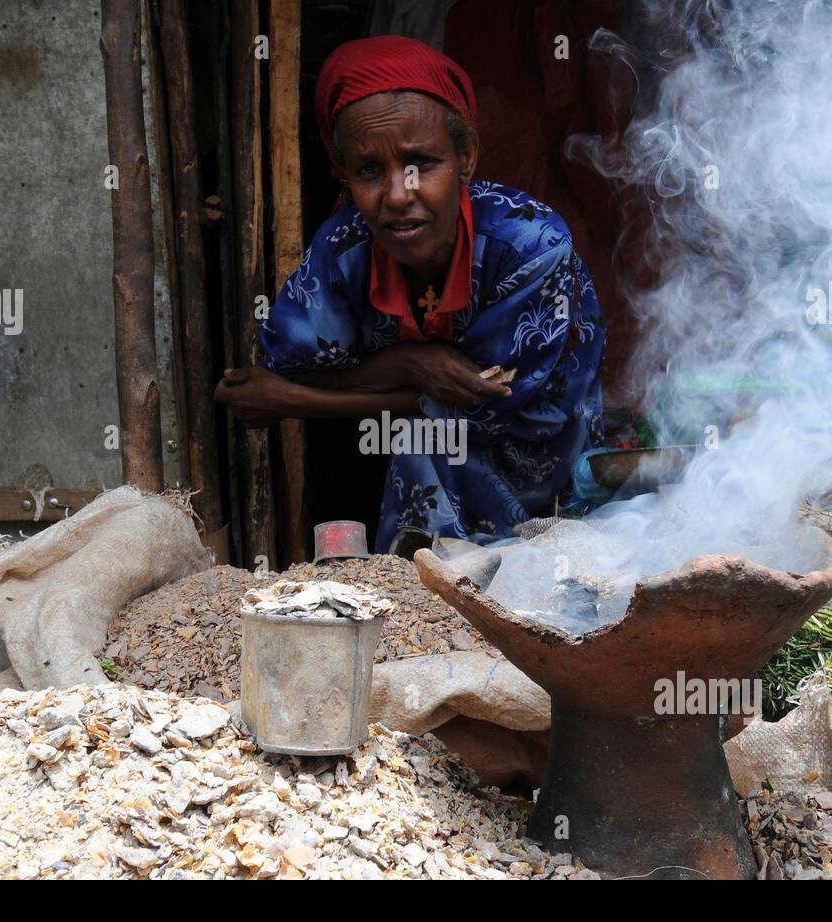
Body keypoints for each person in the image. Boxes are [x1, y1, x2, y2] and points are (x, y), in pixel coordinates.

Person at [215, 35, 605, 552]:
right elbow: (295, 361)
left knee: (430, 439)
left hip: (544, 461)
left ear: (465, 157)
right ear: (345, 173)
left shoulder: (532, 245)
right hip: (416, 452)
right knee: (419, 446)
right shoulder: (344, 246)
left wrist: (292, 403)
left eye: (421, 163)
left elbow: (484, 401)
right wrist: (412, 363)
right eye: (369, 170)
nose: (398, 196)